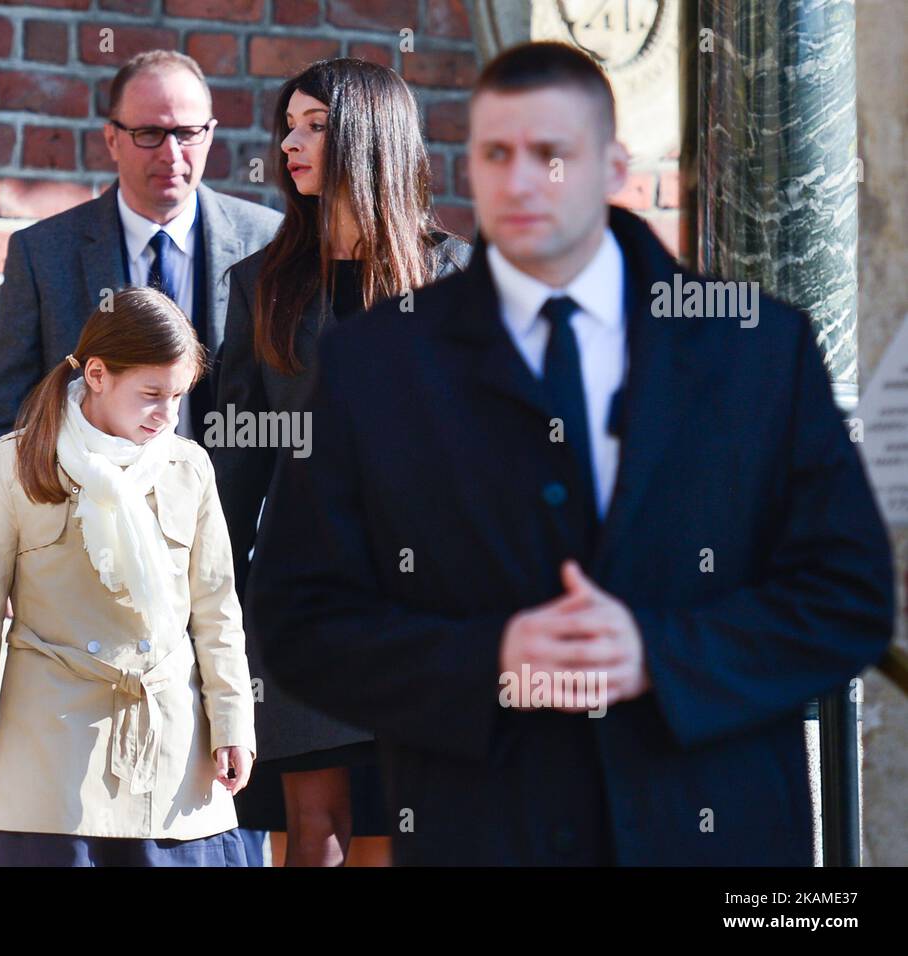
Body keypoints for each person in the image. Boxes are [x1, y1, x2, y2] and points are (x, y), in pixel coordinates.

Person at [244, 41, 895, 865]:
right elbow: (303, 613)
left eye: (552, 153)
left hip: (712, 828)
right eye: (496, 154)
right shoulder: (381, 364)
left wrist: (660, 656)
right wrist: (490, 659)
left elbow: (848, 600)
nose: (522, 180)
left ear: (613, 163)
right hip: (483, 821)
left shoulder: (758, 351)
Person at [212, 58, 470, 867]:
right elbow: (232, 467)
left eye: (314, 125)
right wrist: (204, 608)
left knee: (395, 834)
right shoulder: (264, 285)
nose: (290, 143)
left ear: (371, 134)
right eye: (288, 124)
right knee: (312, 834)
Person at [0, 287, 257, 866]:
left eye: (178, 396)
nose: (166, 415)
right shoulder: (15, 461)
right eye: (151, 394)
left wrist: (232, 721)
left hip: (171, 747)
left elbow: (216, 611)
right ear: (98, 374)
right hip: (50, 755)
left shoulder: (188, 467)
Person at [0, 49, 283, 509]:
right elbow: (1, 416)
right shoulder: (43, 253)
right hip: (86, 528)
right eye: (150, 133)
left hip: (229, 531)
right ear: (112, 139)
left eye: (188, 133)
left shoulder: (268, 241)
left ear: (210, 135)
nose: (172, 154)